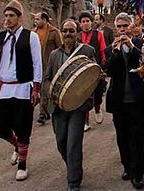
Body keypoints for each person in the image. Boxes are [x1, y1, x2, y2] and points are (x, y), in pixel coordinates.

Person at [0, 0, 42, 182]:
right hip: (3, 88)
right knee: (0, 127)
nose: (8, 19)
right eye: (6, 16)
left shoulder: (30, 36)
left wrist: (37, 88)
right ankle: (18, 147)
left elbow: (37, 63)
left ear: (19, 18)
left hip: (23, 88)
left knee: (22, 126)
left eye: (11, 16)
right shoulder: (0, 37)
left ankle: (23, 165)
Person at [45, 19, 97, 191]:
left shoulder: (87, 51)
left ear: (77, 33)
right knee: (61, 142)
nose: (68, 34)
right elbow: (47, 79)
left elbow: (95, 77)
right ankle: (74, 168)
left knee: (73, 143)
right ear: (61, 32)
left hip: (78, 107)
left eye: (71, 31)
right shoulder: (54, 55)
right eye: (65, 31)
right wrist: (50, 95)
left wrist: (88, 100)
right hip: (58, 108)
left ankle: (73, 182)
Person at [105, 13, 144, 189]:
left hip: (137, 100)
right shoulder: (111, 48)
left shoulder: (140, 44)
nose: (123, 29)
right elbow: (107, 70)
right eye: (120, 26)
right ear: (116, 28)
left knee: (137, 138)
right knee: (122, 137)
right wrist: (116, 53)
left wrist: (131, 47)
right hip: (118, 101)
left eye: (125, 26)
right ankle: (127, 167)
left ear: (131, 27)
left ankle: (137, 174)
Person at [78, 11, 106, 129]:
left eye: (87, 21)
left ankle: (98, 108)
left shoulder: (98, 34)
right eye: (83, 21)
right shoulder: (78, 36)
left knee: (98, 92)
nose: (85, 23)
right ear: (80, 24)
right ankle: (85, 121)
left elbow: (103, 51)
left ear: (91, 22)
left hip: (96, 68)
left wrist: (103, 67)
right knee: (84, 95)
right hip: (81, 70)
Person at [34, 12, 63, 125]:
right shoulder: (34, 32)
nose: (35, 21)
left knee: (47, 90)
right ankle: (44, 113)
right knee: (41, 89)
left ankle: (45, 112)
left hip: (50, 65)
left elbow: (61, 48)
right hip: (37, 65)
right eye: (35, 19)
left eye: (38, 19)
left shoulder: (54, 32)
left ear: (45, 20)